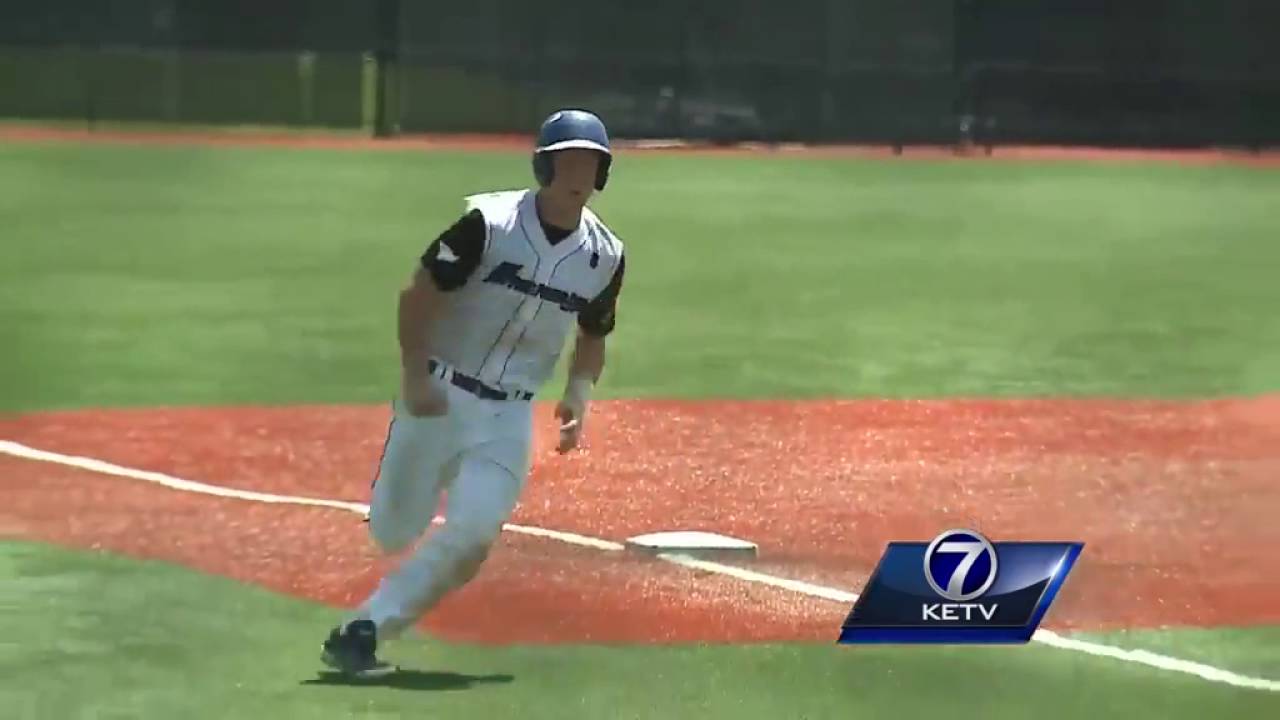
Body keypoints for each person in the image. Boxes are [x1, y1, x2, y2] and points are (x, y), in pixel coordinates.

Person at [318, 109, 626, 677]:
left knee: (474, 537)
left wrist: (579, 394)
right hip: (439, 391)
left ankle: (364, 630)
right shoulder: (490, 223)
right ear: (544, 163)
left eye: (591, 161)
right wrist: (413, 374)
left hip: (508, 415)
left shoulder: (604, 254)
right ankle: (392, 531)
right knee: (393, 529)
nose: (578, 171)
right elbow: (419, 293)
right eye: (568, 159)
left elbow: (595, 332)